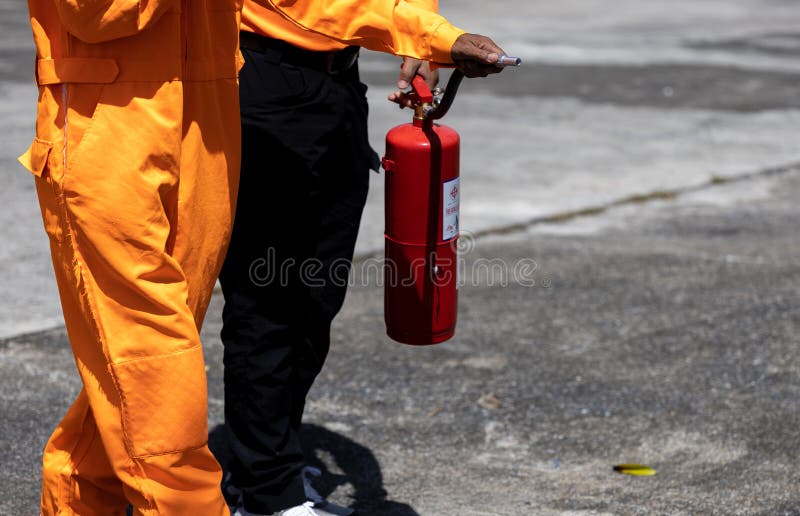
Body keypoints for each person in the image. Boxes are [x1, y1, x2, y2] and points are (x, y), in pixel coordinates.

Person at [218, 2, 507, 515]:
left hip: (338, 87)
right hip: (263, 86)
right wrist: (429, 35)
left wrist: (423, 32)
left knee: (316, 299)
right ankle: (265, 493)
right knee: (268, 300)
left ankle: (270, 461)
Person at [19, 0, 244, 514]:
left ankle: (78, 494)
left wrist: (421, 30)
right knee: (154, 364)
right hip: (106, 142)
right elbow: (93, 13)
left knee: (142, 367)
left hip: (208, 137)